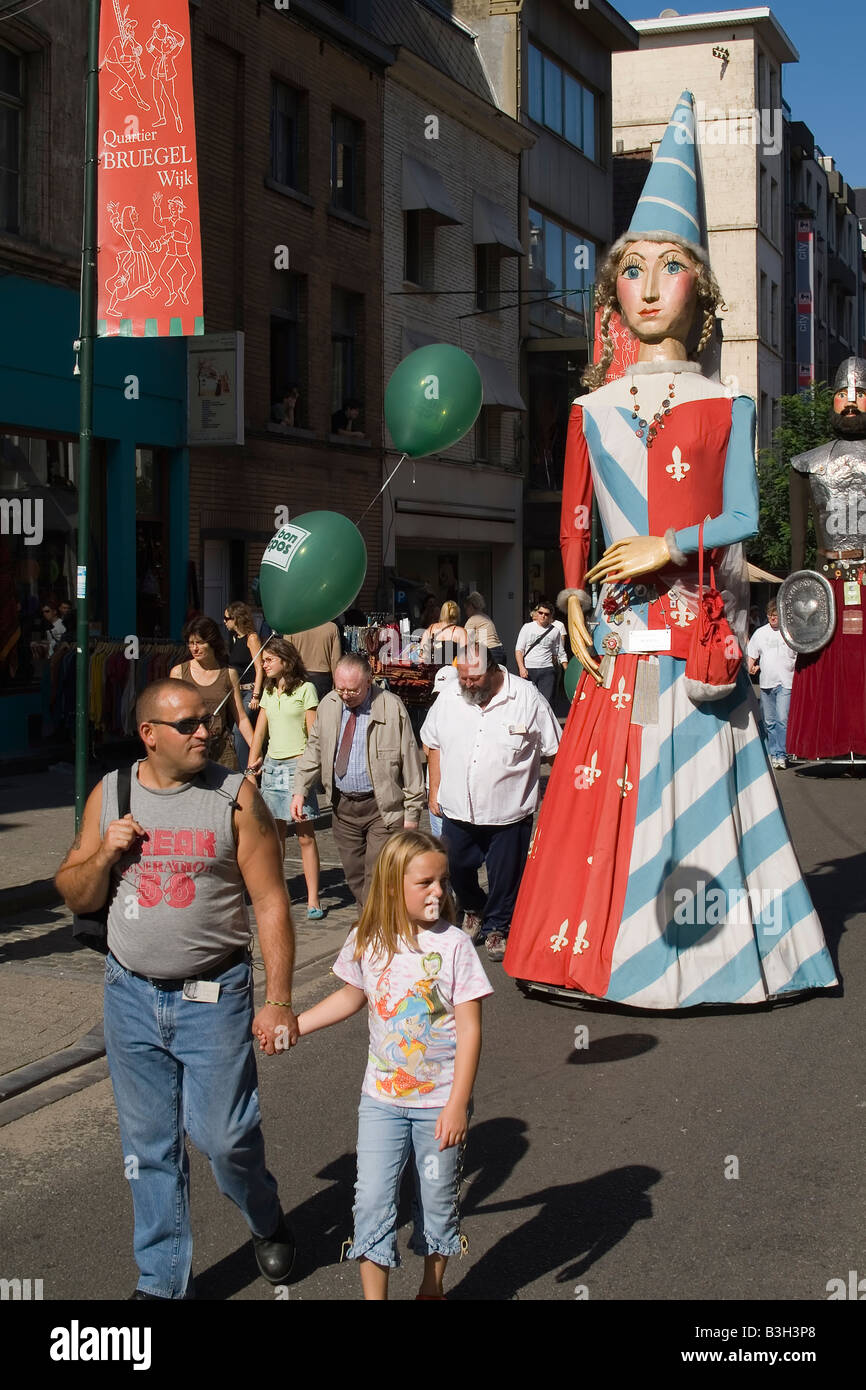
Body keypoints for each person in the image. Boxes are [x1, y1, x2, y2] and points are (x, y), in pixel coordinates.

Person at [501, 91, 837, 1008]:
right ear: (613, 289)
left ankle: (707, 960)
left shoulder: (727, 404)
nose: (648, 287)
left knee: (702, 805)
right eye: (633, 269)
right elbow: (570, 520)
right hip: (616, 648)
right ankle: (601, 953)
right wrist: (569, 597)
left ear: (702, 287)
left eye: (671, 268)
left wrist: (663, 543)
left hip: (693, 647)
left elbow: (740, 519)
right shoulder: (585, 411)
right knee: (606, 801)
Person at [54, 677, 298, 1299]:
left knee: (223, 1139)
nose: (203, 732)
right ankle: (162, 1282)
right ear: (149, 735)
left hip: (214, 997)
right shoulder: (111, 793)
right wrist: (104, 855)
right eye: (186, 724)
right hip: (130, 995)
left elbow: (270, 900)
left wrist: (278, 1000)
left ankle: (263, 1216)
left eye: (204, 721)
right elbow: (74, 893)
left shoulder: (235, 796)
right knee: (149, 1147)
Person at [296, 830, 492, 1300]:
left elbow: (470, 1030)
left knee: (438, 1201)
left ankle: (432, 1288)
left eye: (442, 881)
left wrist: (458, 1104)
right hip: (381, 1102)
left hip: (438, 1104)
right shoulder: (368, 938)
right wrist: (294, 1026)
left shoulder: (455, 946)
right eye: (425, 883)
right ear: (390, 887)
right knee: (371, 1204)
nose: (439, 892)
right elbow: (351, 994)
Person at [421, 645, 561, 962]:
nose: (467, 684)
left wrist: (554, 797)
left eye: (474, 678)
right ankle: (474, 907)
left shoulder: (527, 698)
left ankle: (498, 925)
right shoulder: (449, 697)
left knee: (505, 876)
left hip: (509, 812)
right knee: (454, 867)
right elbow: (433, 743)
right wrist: (434, 789)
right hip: (458, 808)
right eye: (463, 678)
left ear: (494, 670)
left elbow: (555, 750)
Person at [291, 654, 425, 908]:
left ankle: (373, 931)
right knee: (354, 876)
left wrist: (412, 814)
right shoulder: (329, 704)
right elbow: (314, 749)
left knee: (376, 874)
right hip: (343, 809)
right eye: (339, 688)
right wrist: (300, 790)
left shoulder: (391, 706)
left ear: (369, 682)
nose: (345, 695)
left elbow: (410, 760)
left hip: (381, 808)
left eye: (352, 690)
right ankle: (377, 923)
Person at [786, 355, 866, 759]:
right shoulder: (808, 465)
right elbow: (798, 537)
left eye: (860, 395)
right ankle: (829, 742)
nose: (850, 403)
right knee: (825, 663)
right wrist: (794, 585)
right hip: (826, 578)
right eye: (841, 396)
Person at [248, 639, 325, 920]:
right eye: (263, 660)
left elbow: (313, 732)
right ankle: (278, 893)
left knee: (305, 835)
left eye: (269, 659)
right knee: (275, 836)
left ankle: (313, 898)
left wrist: (309, 769)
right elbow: (259, 733)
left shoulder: (306, 690)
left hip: (297, 766)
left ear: (285, 660)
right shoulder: (269, 691)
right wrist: (251, 766)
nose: (264, 664)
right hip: (272, 766)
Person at [171, 616, 255, 771]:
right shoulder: (179, 673)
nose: (194, 648)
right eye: (191, 643)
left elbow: (241, 717)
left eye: (200, 643)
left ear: (212, 643)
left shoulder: (229, 674)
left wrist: (255, 751)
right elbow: (171, 716)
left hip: (221, 750)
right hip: (190, 749)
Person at [748, 599, 796, 770]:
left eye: (775, 615)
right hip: (766, 682)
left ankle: (781, 754)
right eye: (769, 615)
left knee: (782, 719)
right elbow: (752, 653)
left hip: (786, 682)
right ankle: (773, 753)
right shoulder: (760, 633)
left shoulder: (790, 633)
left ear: (781, 615)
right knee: (769, 721)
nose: (772, 618)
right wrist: (751, 666)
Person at [224, 601, 264, 772]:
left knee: (240, 731)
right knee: (238, 731)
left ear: (236, 618)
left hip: (249, 690)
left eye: (227, 618)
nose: (224, 621)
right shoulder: (234, 639)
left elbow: (259, 667)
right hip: (237, 691)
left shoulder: (251, 638)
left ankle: (245, 770)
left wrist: (256, 694)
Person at [515, 600, 569, 706]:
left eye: (546, 614)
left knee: (545, 702)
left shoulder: (555, 631)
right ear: (537, 613)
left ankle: (543, 722)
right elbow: (519, 650)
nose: (543, 616)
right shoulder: (527, 627)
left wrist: (567, 671)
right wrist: (521, 668)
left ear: (550, 616)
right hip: (529, 669)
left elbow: (559, 652)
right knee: (528, 701)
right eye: (540, 613)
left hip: (547, 670)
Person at [282, 620, 341, 701]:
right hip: (323, 679)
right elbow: (335, 659)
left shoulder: (291, 626)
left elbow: (286, 656)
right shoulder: (332, 627)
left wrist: (285, 678)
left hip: (298, 675)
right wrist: (337, 683)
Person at [463, 591, 506, 668]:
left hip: (490, 652)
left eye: (466, 608)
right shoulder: (485, 617)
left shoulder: (472, 620)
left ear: (471, 606)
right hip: (500, 650)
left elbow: (467, 641)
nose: (466, 611)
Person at [419, 600, 467, 668]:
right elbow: (465, 658)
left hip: (432, 673)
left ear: (442, 613)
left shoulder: (431, 629)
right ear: (457, 614)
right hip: (451, 674)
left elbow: (422, 656)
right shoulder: (460, 632)